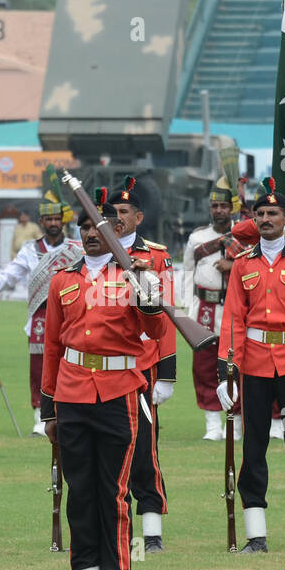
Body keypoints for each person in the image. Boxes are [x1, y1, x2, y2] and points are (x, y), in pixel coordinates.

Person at [41, 202, 164, 570]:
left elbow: (155, 331)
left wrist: (149, 298)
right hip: (72, 393)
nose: (92, 234)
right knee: (80, 494)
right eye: (86, 228)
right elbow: (53, 345)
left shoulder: (135, 274)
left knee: (113, 492)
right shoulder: (63, 281)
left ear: (114, 232)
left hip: (117, 391)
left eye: (100, 227)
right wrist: (49, 408)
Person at [218, 183, 285, 553]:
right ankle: (256, 533)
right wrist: (226, 372)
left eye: (272, 214)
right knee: (254, 445)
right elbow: (233, 318)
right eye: (260, 214)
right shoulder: (242, 264)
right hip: (255, 365)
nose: (265, 220)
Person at [0, 199, 81, 435]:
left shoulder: (75, 248)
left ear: (62, 221)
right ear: (41, 222)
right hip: (41, 315)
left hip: (71, 312)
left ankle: (71, 415)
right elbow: (8, 277)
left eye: (57, 219)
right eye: (49, 219)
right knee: (40, 367)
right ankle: (41, 417)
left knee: (72, 363)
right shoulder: (30, 250)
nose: (54, 223)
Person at [107, 179, 177, 550]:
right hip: (102, 368)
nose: (116, 219)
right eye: (112, 213)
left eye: (123, 213)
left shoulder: (156, 257)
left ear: (138, 217)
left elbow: (166, 317)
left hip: (143, 367)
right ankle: (113, 523)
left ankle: (151, 530)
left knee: (145, 449)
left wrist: (166, 374)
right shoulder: (95, 256)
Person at [182, 175, 241, 441]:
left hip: (234, 306)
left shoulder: (243, 235)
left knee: (234, 364)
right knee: (204, 366)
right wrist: (187, 311)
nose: (219, 210)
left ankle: (236, 423)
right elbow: (187, 273)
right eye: (215, 206)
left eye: (224, 206)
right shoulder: (197, 238)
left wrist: (234, 266)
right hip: (204, 307)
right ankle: (212, 425)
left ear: (232, 208)